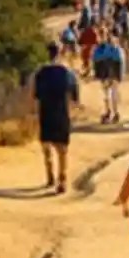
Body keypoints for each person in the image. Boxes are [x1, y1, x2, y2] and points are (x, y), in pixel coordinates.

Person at [32, 42, 81, 194]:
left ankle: (50, 176)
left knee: (46, 147)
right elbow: (74, 94)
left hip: (46, 111)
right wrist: (75, 106)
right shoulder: (67, 72)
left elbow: (35, 95)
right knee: (62, 149)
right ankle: (62, 179)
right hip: (61, 112)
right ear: (60, 53)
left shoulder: (40, 72)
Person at [94, 33, 126, 124]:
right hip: (115, 73)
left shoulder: (101, 50)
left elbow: (97, 61)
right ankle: (115, 112)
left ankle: (108, 112)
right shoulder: (118, 50)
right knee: (114, 93)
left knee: (107, 94)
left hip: (106, 73)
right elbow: (121, 63)